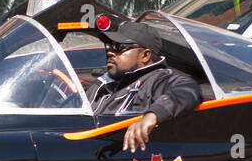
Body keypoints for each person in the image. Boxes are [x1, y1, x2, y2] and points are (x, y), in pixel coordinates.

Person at [87, 20, 202, 152]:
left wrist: (153, 115)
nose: (110, 52)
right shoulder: (104, 82)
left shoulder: (159, 79)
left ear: (145, 55)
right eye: (109, 46)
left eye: (119, 47)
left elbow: (187, 90)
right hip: (88, 146)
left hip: (125, 154)